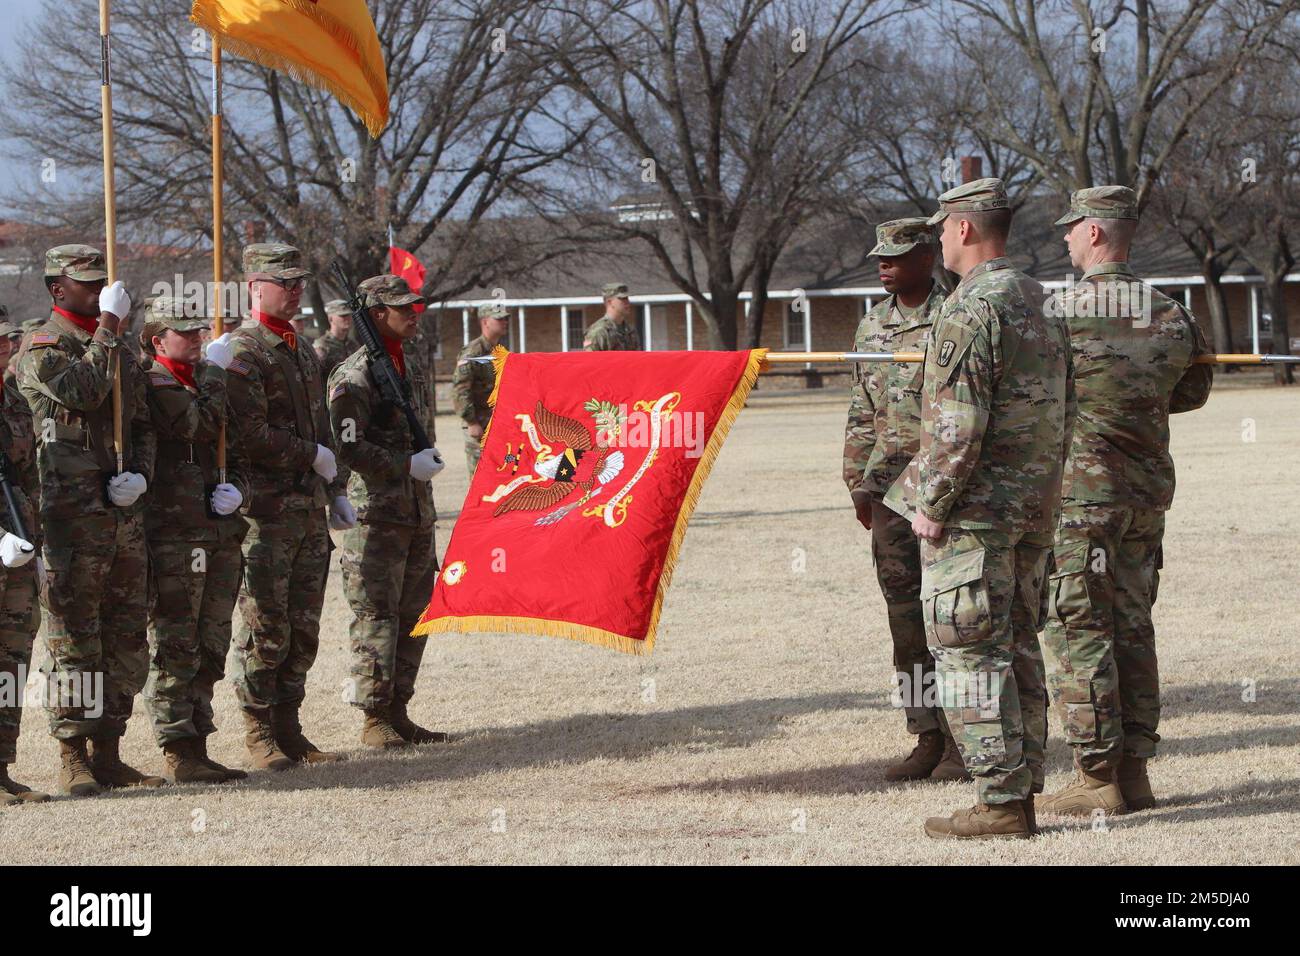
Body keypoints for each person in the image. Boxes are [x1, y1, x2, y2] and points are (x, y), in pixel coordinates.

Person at [882, 179, 1074, 840]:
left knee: (969, 655)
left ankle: (999, 800)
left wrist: (931, 504)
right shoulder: (1040, 301)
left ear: (963, 228)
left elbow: (958, 427)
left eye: (941, 228)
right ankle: (1021, 788)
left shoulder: (972, 308)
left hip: (976, 518)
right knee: (1020, 646)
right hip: (1028, 512)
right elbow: (1063, 416)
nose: (938, 239)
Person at [1036, 186, 1213, 817]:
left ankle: (1095, 776)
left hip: (1082, 500)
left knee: (1079, 629)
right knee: (1133, 627)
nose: (1063, 238)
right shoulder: (1173, 312)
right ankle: (1135, 772)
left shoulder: (1059, 313)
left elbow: (1031, 399)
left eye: (1069, 228)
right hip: (1146, 496)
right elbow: (1192, 394)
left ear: (1093, 233)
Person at [16, 245, 162, 796]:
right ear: (58, 289)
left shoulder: (118, 346)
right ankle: (72, 753)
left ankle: (110, 751)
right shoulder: (43, 346)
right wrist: (109, 324)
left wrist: (141, 475)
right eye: (88, 284)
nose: (100, 290)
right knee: (75, 640)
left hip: (121, 516)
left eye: (104, 283)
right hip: (67, 518)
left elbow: (142, 419)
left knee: (125, 636)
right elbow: (83, 388)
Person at [843, 217, 965, 783]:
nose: (883, 265)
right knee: (906, 619)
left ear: (927, 257)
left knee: (957, 618)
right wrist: (857, 483)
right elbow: (862, 410)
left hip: (946, 489)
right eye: (879, 258)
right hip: (889, 492)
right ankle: (927, 734)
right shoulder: (872, 325)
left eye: (896, 256)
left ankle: (968, 741)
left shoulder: (957, 314)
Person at [223, 243, 349, 770]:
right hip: (265, 511)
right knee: (264, 625)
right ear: (255, 287)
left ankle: (288, 724)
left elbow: (320, 423)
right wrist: (310, 454)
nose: (296, 291)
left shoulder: (300, 350)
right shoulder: (243, 351)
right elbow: (247, 434)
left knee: (304, 624)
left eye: (300, 282)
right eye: (285, 282)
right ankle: (258, 729)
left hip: (308, 508)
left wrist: (336, 485)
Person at [328, 274, 448, 748]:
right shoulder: (354, 375)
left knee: (415, 614)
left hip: (416, 512)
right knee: (376, 616)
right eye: (404, 308)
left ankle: (399, 708)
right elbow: (348, 447)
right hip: (375, 515)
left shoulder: (409, 367)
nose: (413, 316)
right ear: (377, 314)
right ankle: (374, 718)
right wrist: (404, 465)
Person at [138, 297, 249, 783]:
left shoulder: (199, 378)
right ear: (158, 340)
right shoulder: (156, 382)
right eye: (186, 333)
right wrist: (218, 375)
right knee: (176, 640)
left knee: (211, 639)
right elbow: (195, 423)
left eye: (200, 331)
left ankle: (199, 741)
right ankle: (178, 745)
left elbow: (233, 439)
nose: (198, 339)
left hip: (217, 528)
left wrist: (238, 488)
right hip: (176, 533)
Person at [0, 305, 45, 804]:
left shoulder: (13, 399)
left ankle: (1, 766)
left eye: (8, 339)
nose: (5, 346)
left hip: (17, 548)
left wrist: (37, 545)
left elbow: (29, 477)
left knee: (11, 660)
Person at [451, 303, 509, 474]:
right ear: (485, 322)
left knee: (499, 475)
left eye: (506, 319)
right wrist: (471, 422)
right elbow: (461, 389)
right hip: (479, 425)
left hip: (496, 423)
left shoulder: (499, 351)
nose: (505, 322)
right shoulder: (473, 352)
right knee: (480, 477)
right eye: (499, 319)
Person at [583, 283, 641, 351]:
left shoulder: (630, 331)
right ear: (610, 302)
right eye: (622, 299)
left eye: (627, 298)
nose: (627, 302)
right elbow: (590, 359)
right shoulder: (599, 332)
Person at [313, 298, 358, 384]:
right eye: (342, 316)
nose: (348, 319)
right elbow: (316, 377)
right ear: (331, 319)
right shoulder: (322, 345)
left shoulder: (353, 344)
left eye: (349, 315)